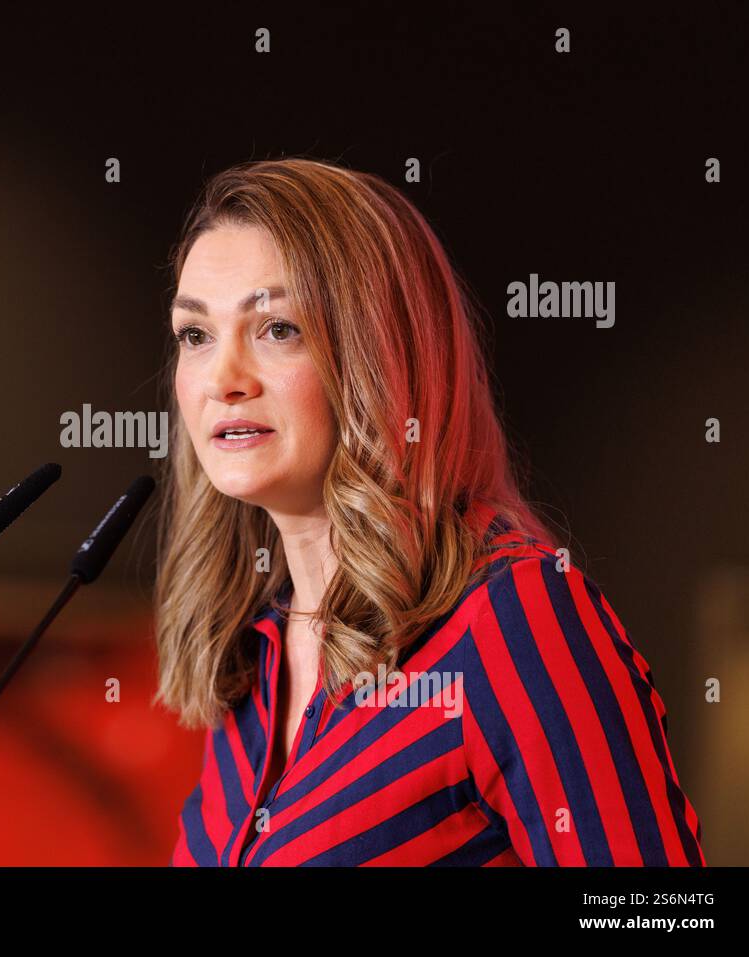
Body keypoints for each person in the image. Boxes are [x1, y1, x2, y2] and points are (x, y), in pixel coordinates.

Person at [153, 158, 705, 866]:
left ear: (382, 351)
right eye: (195, 335)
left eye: (278, 328)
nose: (223, 379)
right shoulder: (250, 651)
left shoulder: (517, 616)